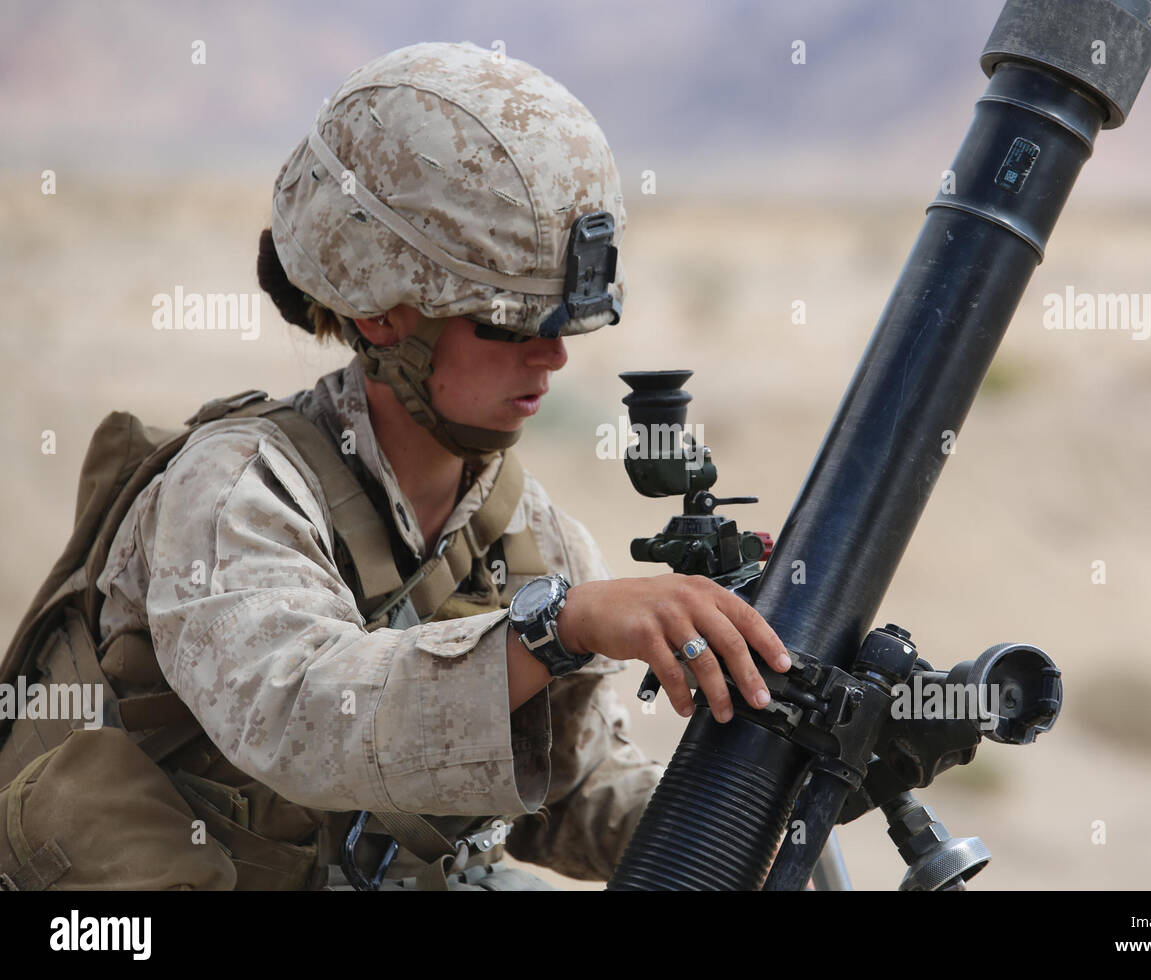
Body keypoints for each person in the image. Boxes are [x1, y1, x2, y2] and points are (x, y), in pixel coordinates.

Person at [90, 41, 791, 889]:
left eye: (562, 328)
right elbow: (304, 714)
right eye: (506, 326)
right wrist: (555, 630)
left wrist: (775, 804)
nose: (552, 362)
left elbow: (569, 795)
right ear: (385, 316)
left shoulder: (534, 541)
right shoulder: (238, 489)